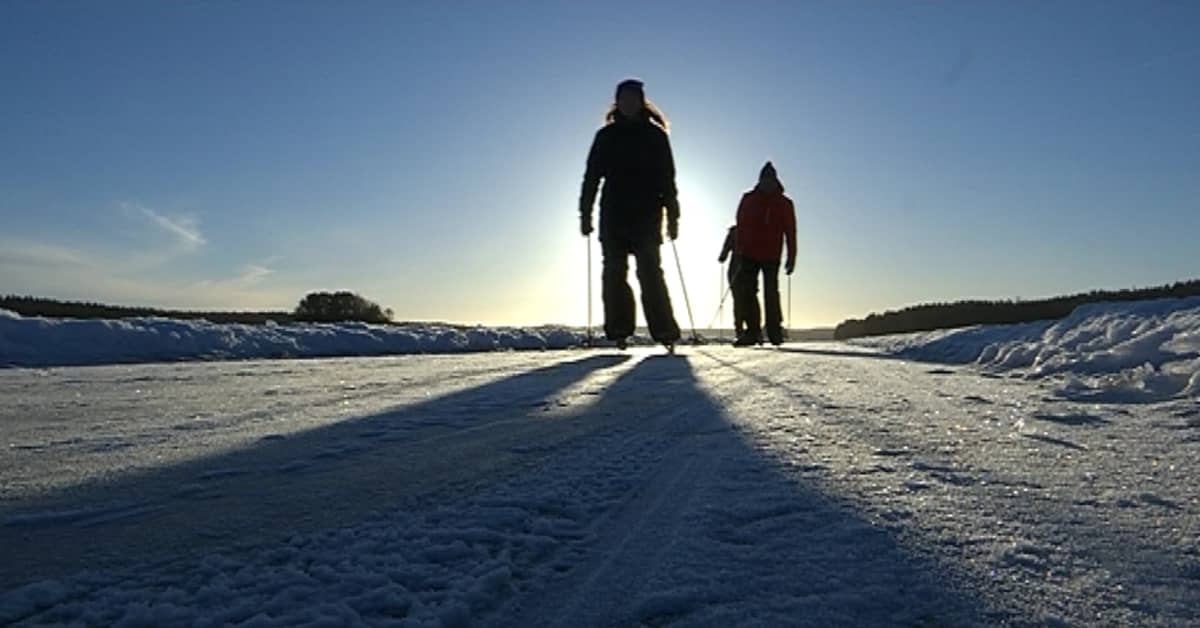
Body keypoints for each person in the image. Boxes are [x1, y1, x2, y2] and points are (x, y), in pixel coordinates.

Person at [579, 79, 682, 350]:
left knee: (650, 273)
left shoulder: (655, 135)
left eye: (633, 98)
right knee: (614, 273)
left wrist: (673, 216)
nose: (628, 103)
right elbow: (592, 176)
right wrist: (585, 213)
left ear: (641, 101)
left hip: (647, 215)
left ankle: (665, 332)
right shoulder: (606, 136)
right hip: (613, 214)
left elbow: (667, 178)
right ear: (617, 102)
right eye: (623, 99)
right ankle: (619, 330)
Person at [732, 161, 796, 347]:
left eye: (770, 180)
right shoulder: (748, 199)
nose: (767, 183)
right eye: (765, 180)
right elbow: (740, 225)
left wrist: (791, 257)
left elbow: (790, 231)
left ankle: (774, 331)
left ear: (775, 181)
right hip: (749, 253)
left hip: (772, 255)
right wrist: (739, 249)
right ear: (760, 180)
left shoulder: (785, 204)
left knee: (771, 293)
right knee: (748, 292)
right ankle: (752, 331)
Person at [716, 225, 747, 337]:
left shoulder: (734, 232)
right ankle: (745, 329)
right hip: (743, 267)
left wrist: (722, 257)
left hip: (739, 268)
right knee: (745, 299)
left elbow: (725, 251)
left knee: (739, 300)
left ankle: (741, 329)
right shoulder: (738, 231)